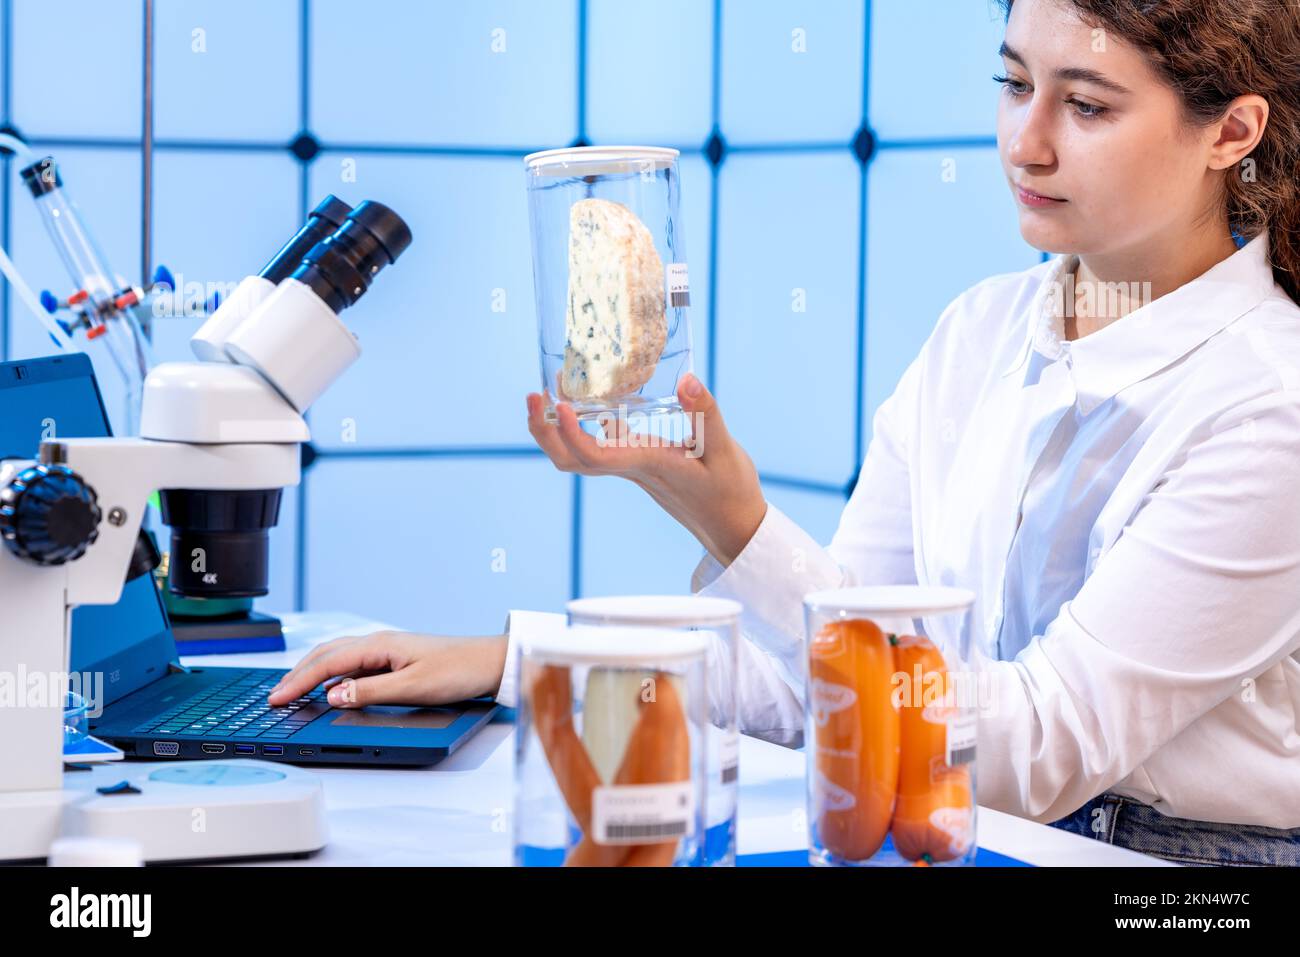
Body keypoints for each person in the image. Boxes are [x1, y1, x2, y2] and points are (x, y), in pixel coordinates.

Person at [268, 0, 1300, 865]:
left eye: (1084, 105)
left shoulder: (1268, 405)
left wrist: (743, 531)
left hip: (1165, 868)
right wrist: (520, 661)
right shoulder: (980, 332)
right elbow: (816, 687)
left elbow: (1036, 748)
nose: (1025, 142)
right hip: (962, 827)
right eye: (1011, 84)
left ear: (1230, 133)